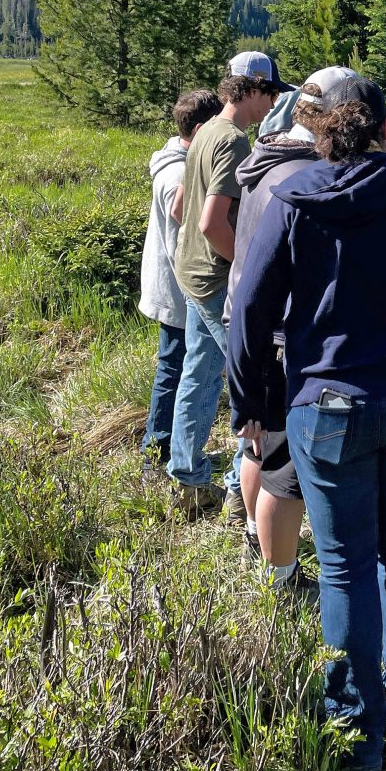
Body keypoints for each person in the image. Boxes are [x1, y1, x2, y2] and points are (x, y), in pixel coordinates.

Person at [227, 73, 386, 771]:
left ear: (320, 135)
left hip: (327, 406)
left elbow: (249, 308)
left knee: (344, 565)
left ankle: (357, 733)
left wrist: (249, 401)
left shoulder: (293, 198)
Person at [224, 66, 360, 589]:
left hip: (250, 325)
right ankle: (280, 578)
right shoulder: (304, 178)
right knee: (286, 474)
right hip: (280, 335)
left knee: (258, 444)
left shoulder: (267, 159)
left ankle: (256, 541)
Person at [167, 52, 282, 518]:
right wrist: (248, 269)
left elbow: (179, 209)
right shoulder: (233, 140)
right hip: (215, 279)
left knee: (199, 372)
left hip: (190, 272)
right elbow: (211, 222)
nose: (272, 103)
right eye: (270, 93)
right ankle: (240, 488)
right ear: (252, 89)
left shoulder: (205, 131)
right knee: (251, 379)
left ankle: (187, 477)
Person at [137, 88, 222, 475]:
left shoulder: (178, 161)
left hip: (176, 286)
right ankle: (156, 453)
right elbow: (181, 219)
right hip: (177, 289)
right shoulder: (177, 173)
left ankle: (169, 449)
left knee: (178, 367)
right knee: (174, 369)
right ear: (202, 129)